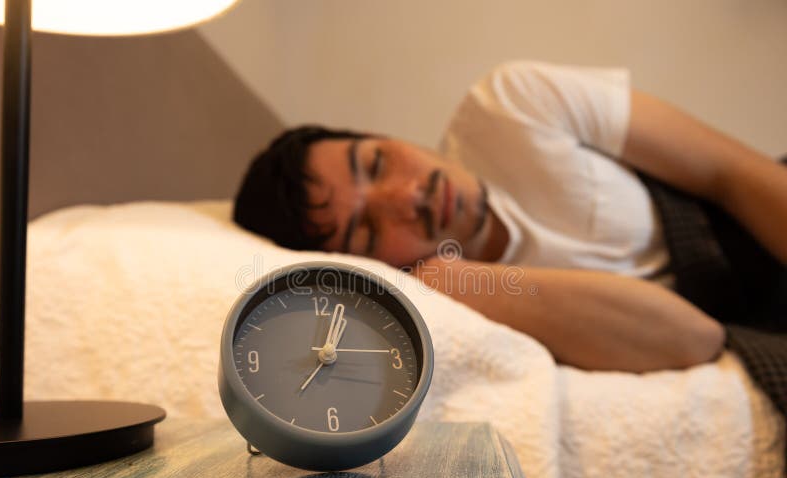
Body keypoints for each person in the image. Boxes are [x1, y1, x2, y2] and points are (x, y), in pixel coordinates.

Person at [233, 61, 787, 374]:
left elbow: (731, 172)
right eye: (370, 230)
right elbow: (696, 337)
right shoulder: (465, 305)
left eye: (377, 161)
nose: (409, 197)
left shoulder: (513, 106)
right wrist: (446, 280)